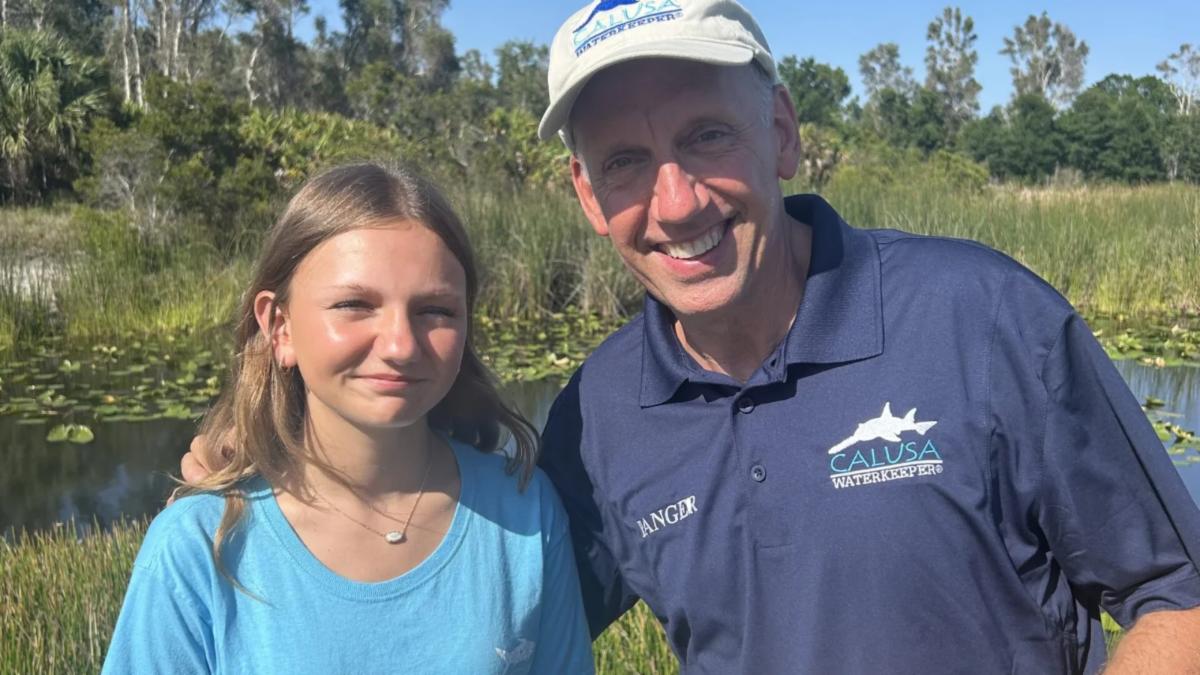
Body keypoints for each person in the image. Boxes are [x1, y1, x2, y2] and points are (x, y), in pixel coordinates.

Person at [186, 1, 1200, 673]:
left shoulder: (979, 317)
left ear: (782, 133)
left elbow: (1178, 599)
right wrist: (283, 462)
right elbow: (487, 595)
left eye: (706, 136)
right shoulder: (603, 413)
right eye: (625, 162)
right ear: (587, 195)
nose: (674, 203)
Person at [106, 162, 594, 674]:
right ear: (280, 327)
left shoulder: (525, 512)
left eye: (436, 311)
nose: (401, 346)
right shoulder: (199, 545)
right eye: (354, 304)